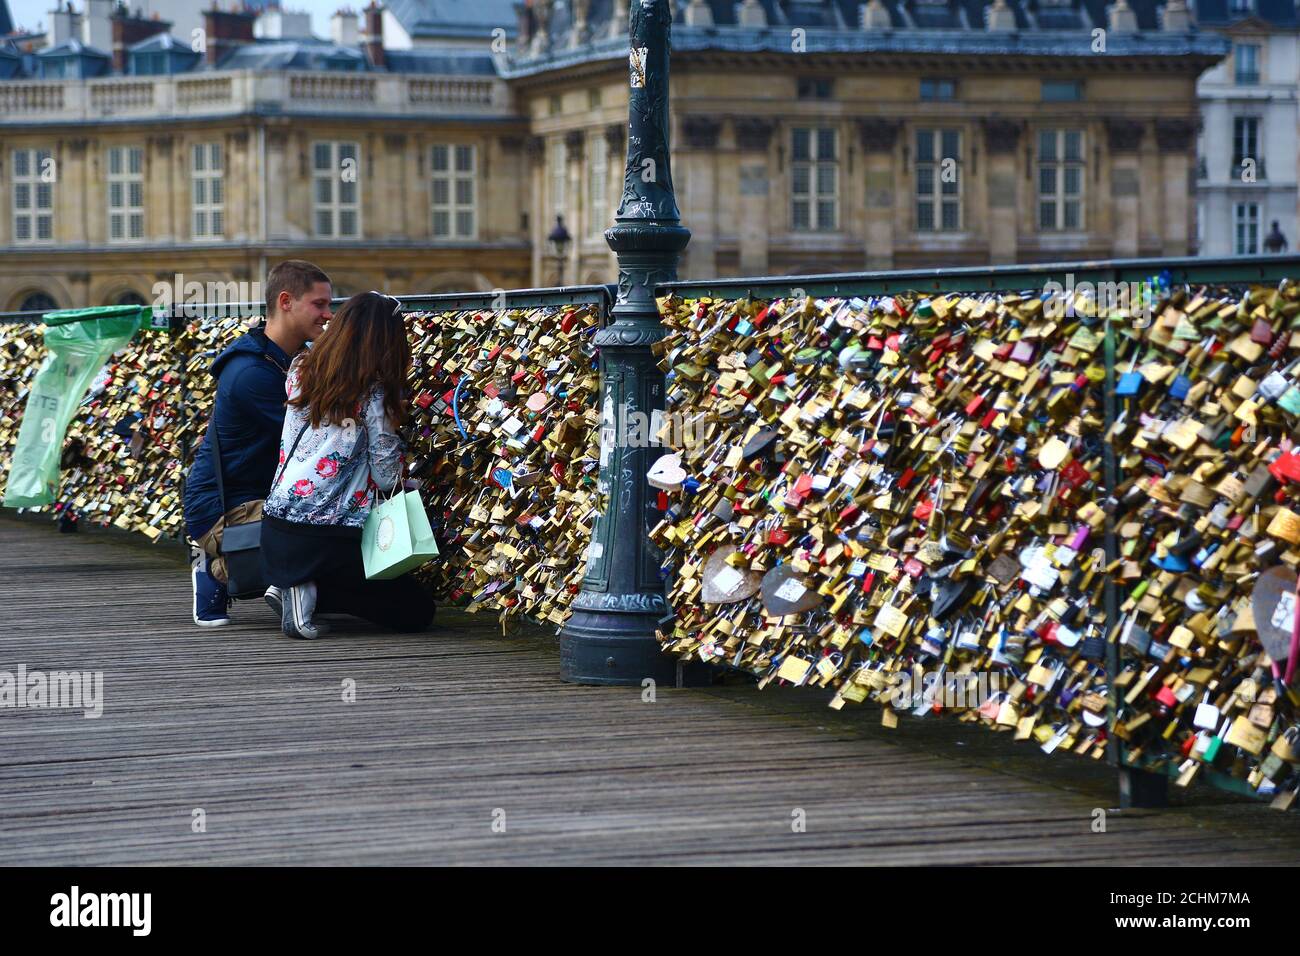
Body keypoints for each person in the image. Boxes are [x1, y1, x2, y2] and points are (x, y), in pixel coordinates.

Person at [260, 291, 437, 639]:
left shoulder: (300, 368)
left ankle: (294, 584)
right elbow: (386, 476)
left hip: (277, 525)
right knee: (417, 611)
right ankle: (309, 590)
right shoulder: (374, 391)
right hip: (329, 537)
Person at [182, 260, 333, 626]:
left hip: (258, 494)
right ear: (286, 301)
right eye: (319, 305)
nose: (329, 315)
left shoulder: (284, 358)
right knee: (321, 535)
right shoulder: (252, 373)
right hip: (222, 505)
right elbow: (312, 437)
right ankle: (218, 569)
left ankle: (264, 572)